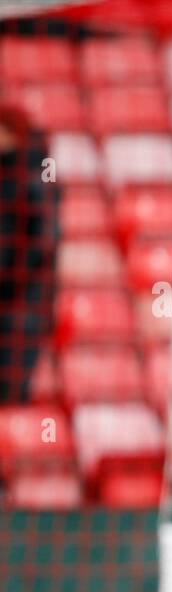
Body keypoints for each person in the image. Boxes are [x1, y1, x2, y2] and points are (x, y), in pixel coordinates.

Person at [0, 104, 59, 405]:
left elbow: (41, 243)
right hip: (25, 307)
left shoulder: (34, 179)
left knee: (10, 396)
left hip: (20, 308)